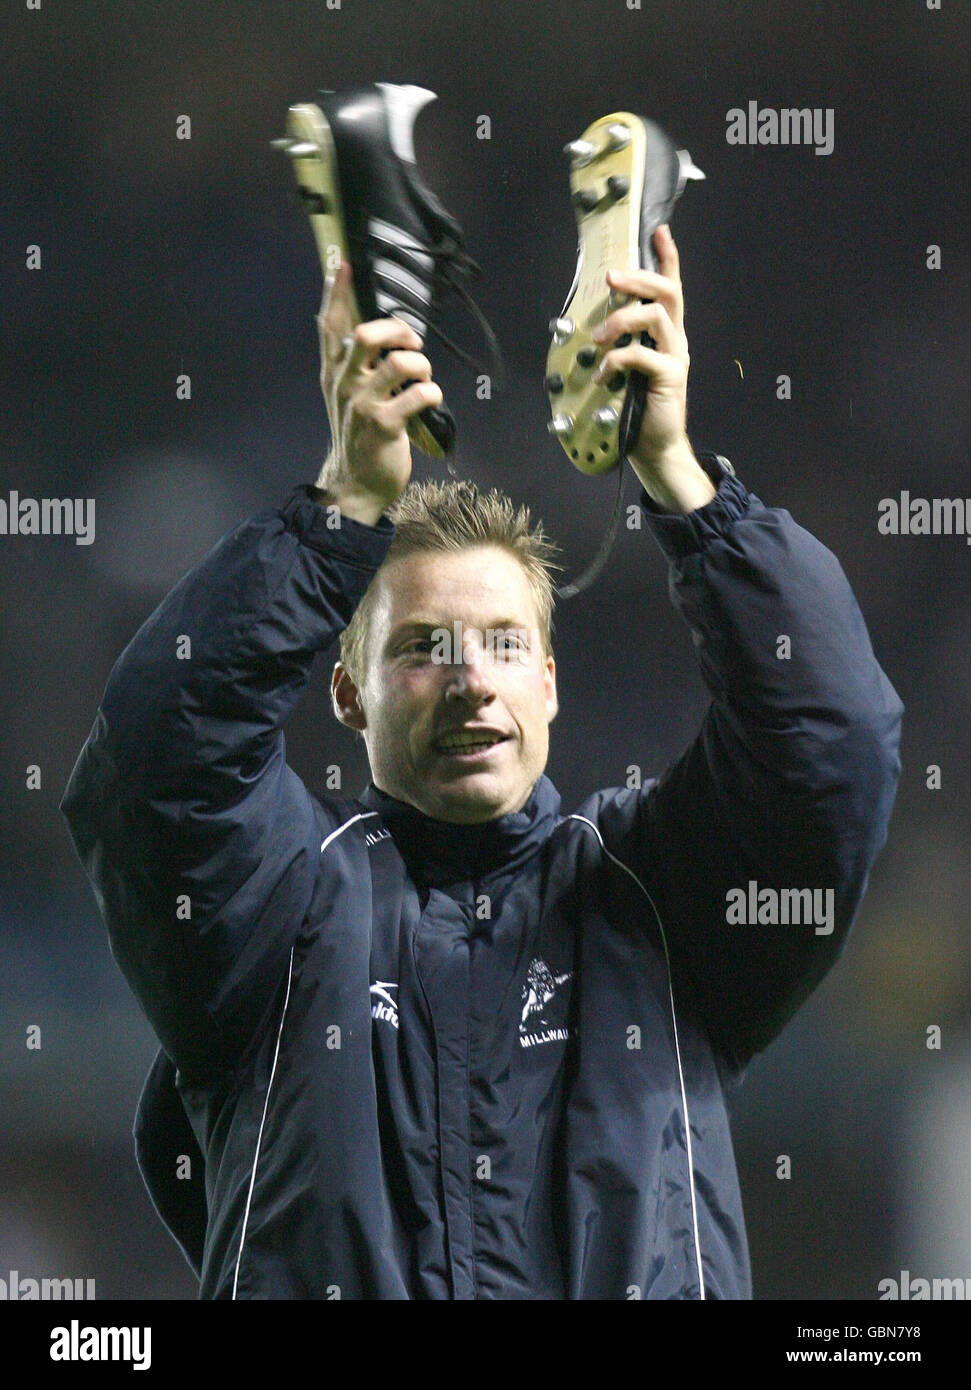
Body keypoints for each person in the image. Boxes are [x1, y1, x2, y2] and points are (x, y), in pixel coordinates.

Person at [60, 226, 903, 1299]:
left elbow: (830, 740)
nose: (470, 679)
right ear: (345, 690)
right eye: (421, 646)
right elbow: (153, 761)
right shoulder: (276, 906)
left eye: (503, 643)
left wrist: (684, 487)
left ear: (547, 682)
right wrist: (339, 514)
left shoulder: (658, 902)